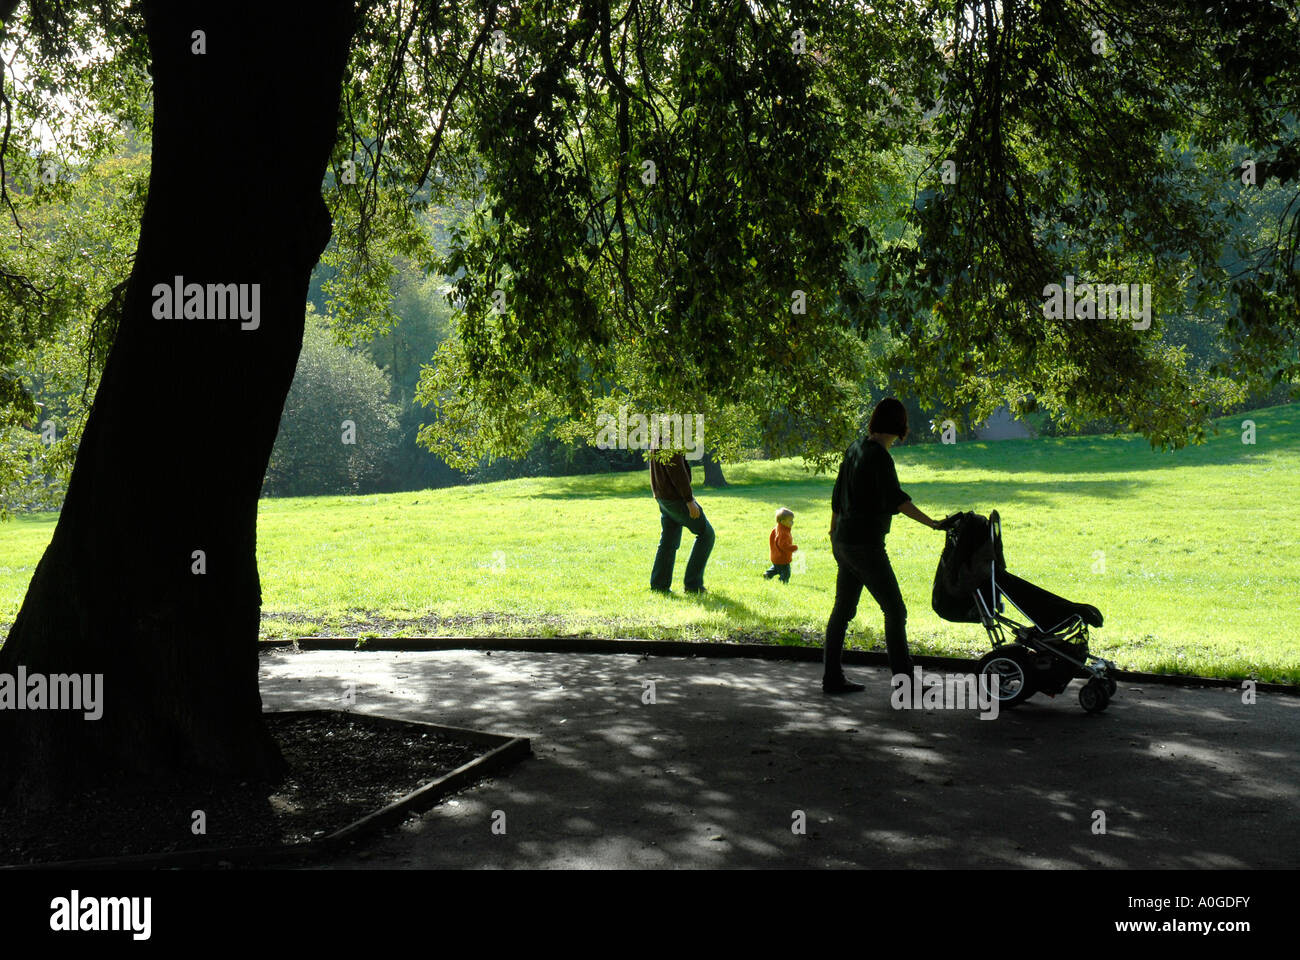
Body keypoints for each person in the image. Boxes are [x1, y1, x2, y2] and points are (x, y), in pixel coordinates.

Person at [822, 397, 947, 695]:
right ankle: (905, 684)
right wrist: (933, 523)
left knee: (842, 609)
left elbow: (837, 497)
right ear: (900, 425)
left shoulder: (854, 449)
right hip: (864, 544)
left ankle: (832, 677)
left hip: (843, 540)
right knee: (894, 609)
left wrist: (833, 532)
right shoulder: (878, 456)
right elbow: (897, 499)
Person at [649, 448, 714, 594]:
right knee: (706, 534)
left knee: (668, 541)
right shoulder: (671, 434)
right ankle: (693, 585)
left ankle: (659, 586)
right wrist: (689, 499)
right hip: (674, 498)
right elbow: (676, 469)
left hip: (662, 496)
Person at [764, 507, 798, 583]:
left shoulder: (778, 528)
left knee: (776, 568)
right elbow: (783, 545)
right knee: (786, 572)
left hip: (775, 556)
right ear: (782, 521)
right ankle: (782, 581)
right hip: (782, 557)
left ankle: (768, 574)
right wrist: (793, 548)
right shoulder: (783, 533)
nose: (792, 522)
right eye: (790, 521)